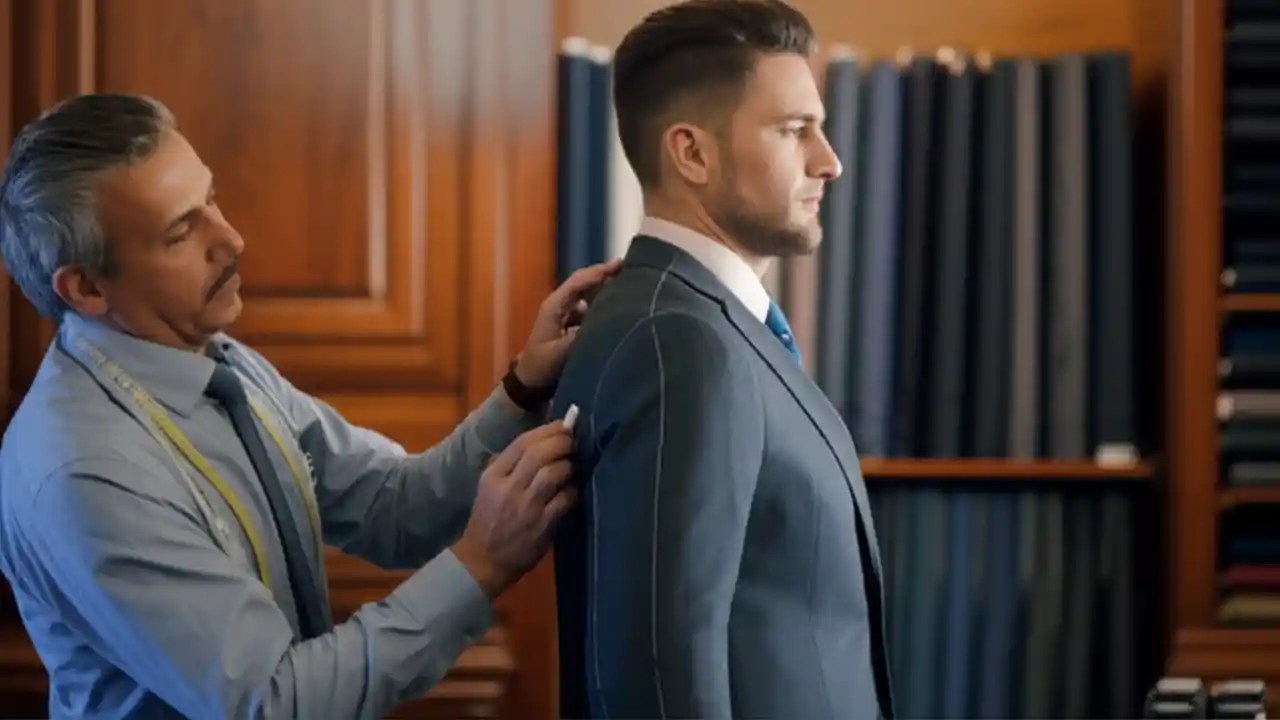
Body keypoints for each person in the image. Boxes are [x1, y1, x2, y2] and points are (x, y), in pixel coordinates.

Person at [0, 92, 620, 719]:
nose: (233, 239)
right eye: (181, 232)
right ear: (85, 287)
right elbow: (278, 703)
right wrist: (483, 564)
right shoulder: (84, 473)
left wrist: (522, 388)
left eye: (209, 199)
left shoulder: (215, 358)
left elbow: (394, 508)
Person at [549, 1, 894, 718]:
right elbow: (656, 672)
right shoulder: (679, 344)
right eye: (795, 130)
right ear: (692, 153)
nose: (830, 161)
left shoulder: (710, 326)